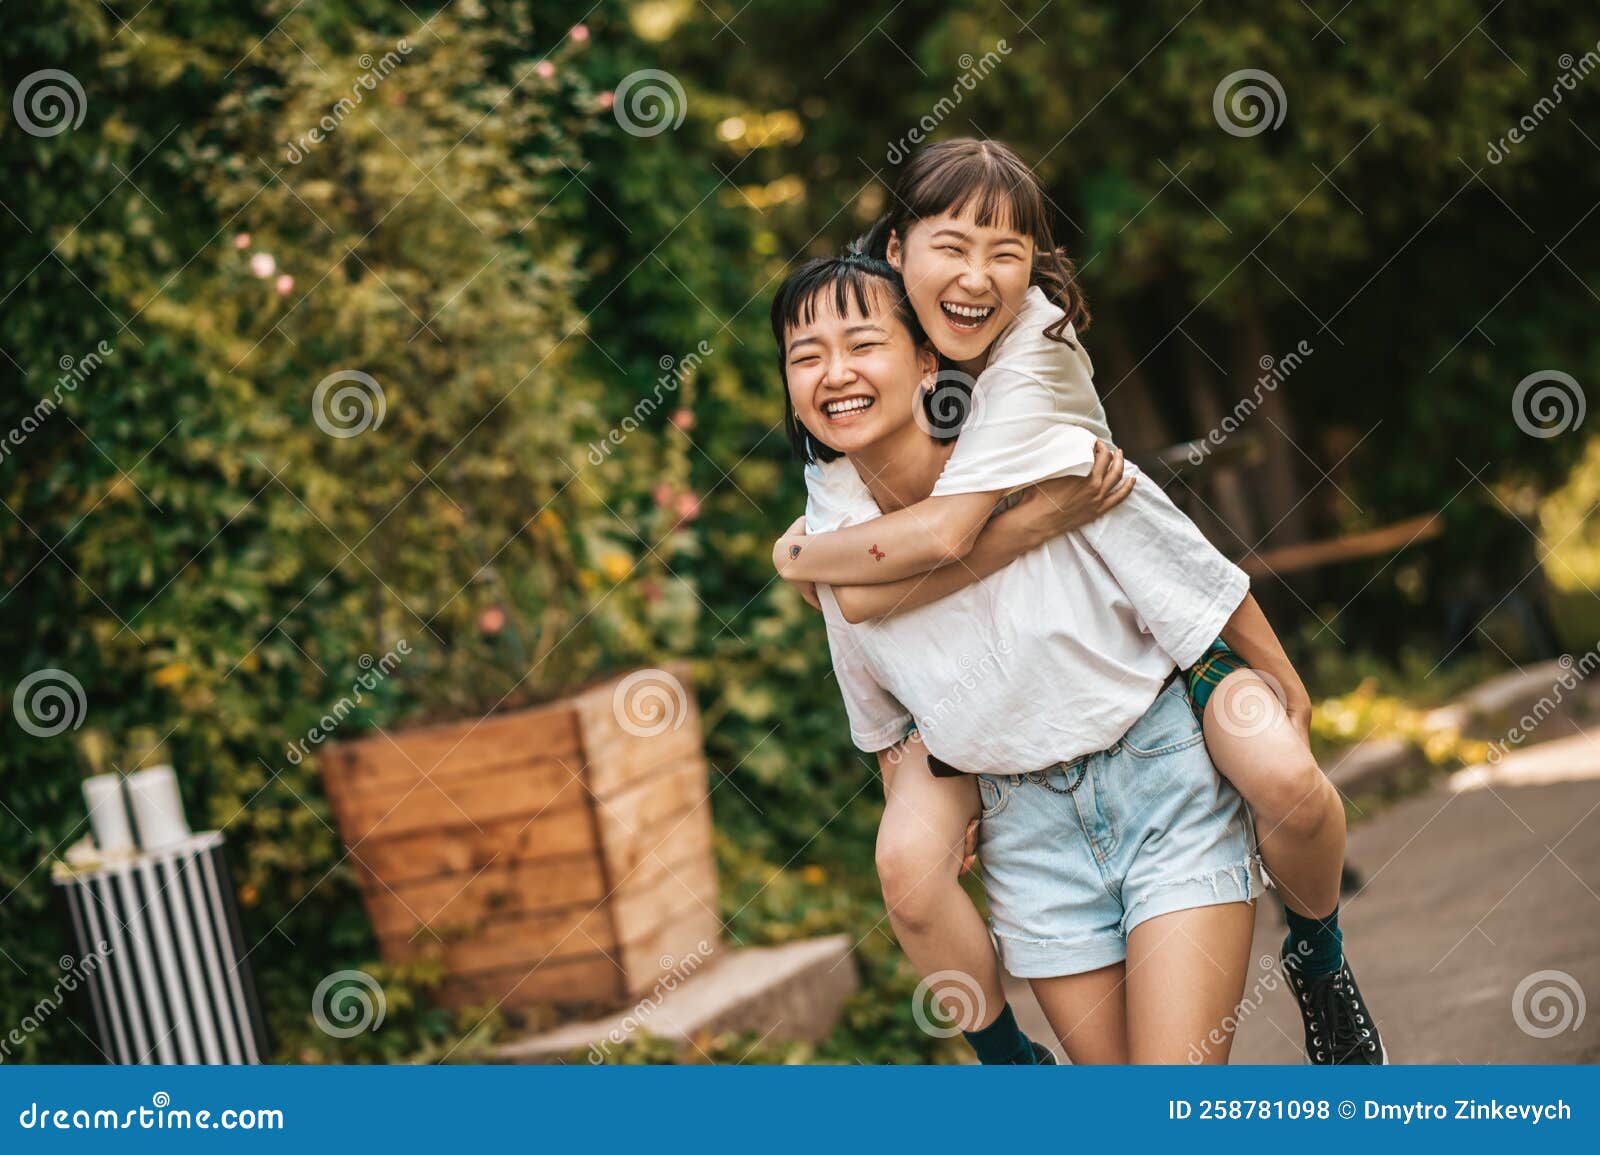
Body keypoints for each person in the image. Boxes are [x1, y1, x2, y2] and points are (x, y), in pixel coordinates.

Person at [774, 143, 1386, 1065]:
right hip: (1030, 833)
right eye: (807, 357)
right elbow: (876, 676)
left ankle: (1319, 954)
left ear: (920, 354)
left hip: (1157, 772)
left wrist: (1277, 674)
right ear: (900, 253)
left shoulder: (1036, 406)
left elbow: (1174, 561)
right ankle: (1011, 1068)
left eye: (864, 345)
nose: (838, 373)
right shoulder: (836, 504)